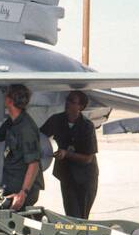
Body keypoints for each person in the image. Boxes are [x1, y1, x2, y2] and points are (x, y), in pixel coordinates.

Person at [40, 90, 99, 219]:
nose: (67, 103)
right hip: (66, 174)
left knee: (82, 216)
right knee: (71, 213)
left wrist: (66, 154)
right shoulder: (56, 120)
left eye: (72, 101)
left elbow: (88, 158)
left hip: (86, 177)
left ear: (81, 107)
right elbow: (40, 137)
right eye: (68, 100)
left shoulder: (87, 126)